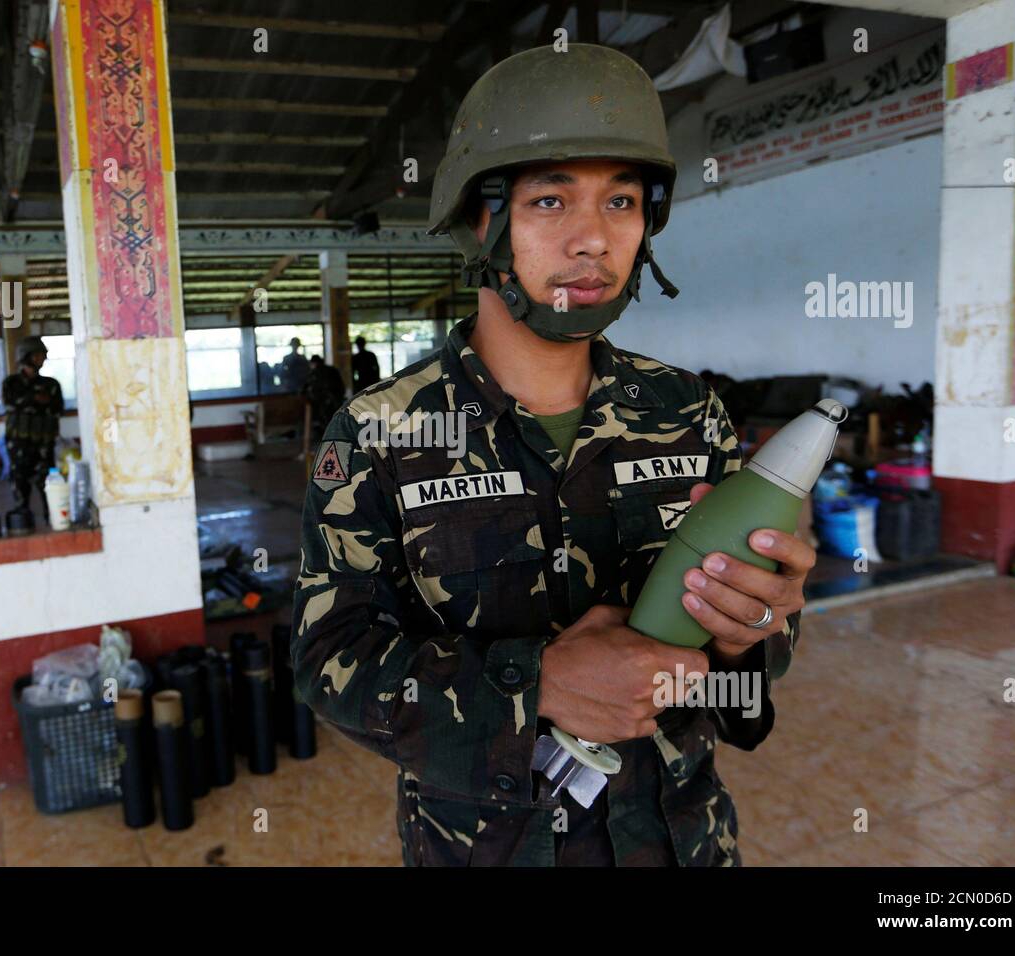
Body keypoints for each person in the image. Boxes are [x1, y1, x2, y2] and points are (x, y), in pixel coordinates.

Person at [292, 45, 814, 867]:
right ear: (480, 218)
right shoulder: (379, 432)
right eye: (548, 200)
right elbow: (329, 664)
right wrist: (532, 687)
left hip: (682, 844)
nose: (593, 241)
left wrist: (753, 630)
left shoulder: (689, 413)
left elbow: (743, 675)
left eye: (622, 201)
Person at [2, 335, 64, 524]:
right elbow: (11, 404)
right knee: (20, 484)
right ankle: (22, 524)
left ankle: (51, 518)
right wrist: (35, 401)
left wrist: (34, 402)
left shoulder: (51, 384)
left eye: (43, 355)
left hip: (44, 443)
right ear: (25, 356)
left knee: (49, 485)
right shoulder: (11, 383)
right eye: (38, 355)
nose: (42, 359)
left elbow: (57, 408)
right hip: (19, 444)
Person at [301, 355, 346, 443]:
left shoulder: (314, 373)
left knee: (322, 426)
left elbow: (306, 389)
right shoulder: (332, 370)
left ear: (314, 363)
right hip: (335, 403)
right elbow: (341, 387)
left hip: (321, 404)